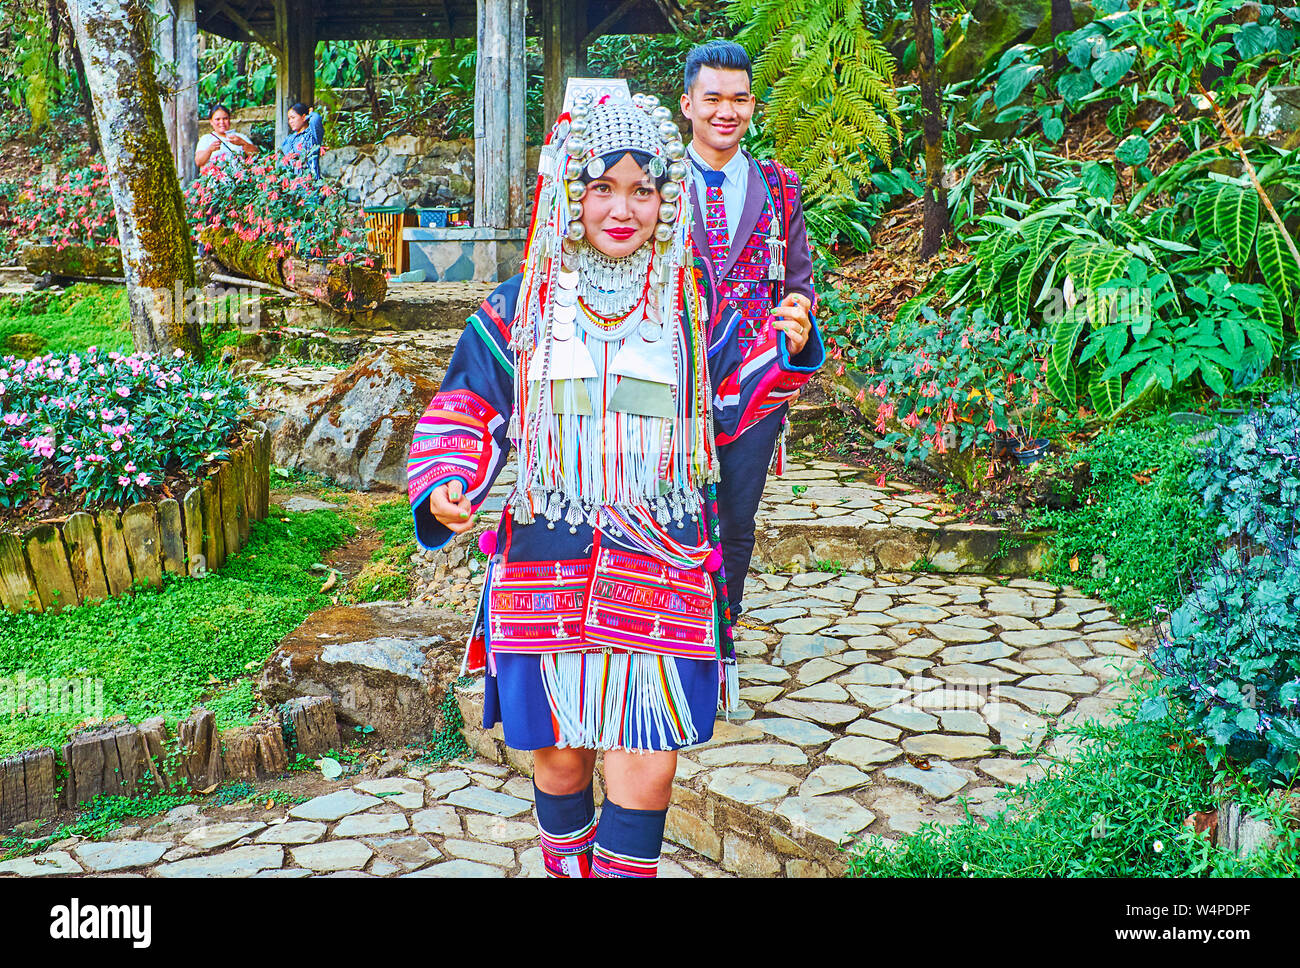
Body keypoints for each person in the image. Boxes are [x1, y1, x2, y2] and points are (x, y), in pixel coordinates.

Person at [406, 88, 823, 878]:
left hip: (660, 556)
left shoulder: (692, 309)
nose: (622, 208)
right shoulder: (522, 309)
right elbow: (468, 403)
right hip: (545, 557)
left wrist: (786, 348)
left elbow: (729, 404)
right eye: (603, 187)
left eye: (643, 188)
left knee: (649, 760)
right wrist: (449, 480)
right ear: (572, 192)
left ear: (667, 200)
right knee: (559, 760)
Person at [679, 40, 819, 622]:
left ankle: (722, 632)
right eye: (712, 98)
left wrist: (800, 317)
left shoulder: (780, 187)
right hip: (672, 377)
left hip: (754, 383)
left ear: (753, 105)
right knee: (672, 512)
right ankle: (670, 636)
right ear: (686, 103)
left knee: (737, 517)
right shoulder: (649, 186)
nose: (725, 112)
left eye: (738, 99)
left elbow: (800, 281)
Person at [194, 104, 257, 169]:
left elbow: (257, 156)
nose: (222, 122)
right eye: (217, 119)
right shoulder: (206, 139)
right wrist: (209, 150)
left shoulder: (240, 137)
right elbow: (199, 162)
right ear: (211, 121)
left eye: (225, 118)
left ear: (229, 119)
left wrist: (243, 143)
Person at [280, 102, 322, 179]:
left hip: (310, 182)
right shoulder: (290, 138)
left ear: (303, 117)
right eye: (289, 119)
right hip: (294, 183)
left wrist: (311, 113)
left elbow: (316, 119)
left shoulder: (312, 135)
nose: (290, 121)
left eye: (293, 118)